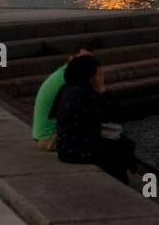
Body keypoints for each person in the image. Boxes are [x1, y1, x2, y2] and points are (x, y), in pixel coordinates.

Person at [51, 54, 134, 182]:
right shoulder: (83, 94)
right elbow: (116, 113)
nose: (100, 78)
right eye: (99, 75)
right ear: (90, 75)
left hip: (65, 147)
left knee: (121, 143)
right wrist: (102, 88)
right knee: (121, 147)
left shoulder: (67, 88)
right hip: (77, 151)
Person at [31, 47, 90, 150]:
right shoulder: (69, 79)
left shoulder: (63, 73)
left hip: (43, 136)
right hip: (51, 139)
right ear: (71, 58)